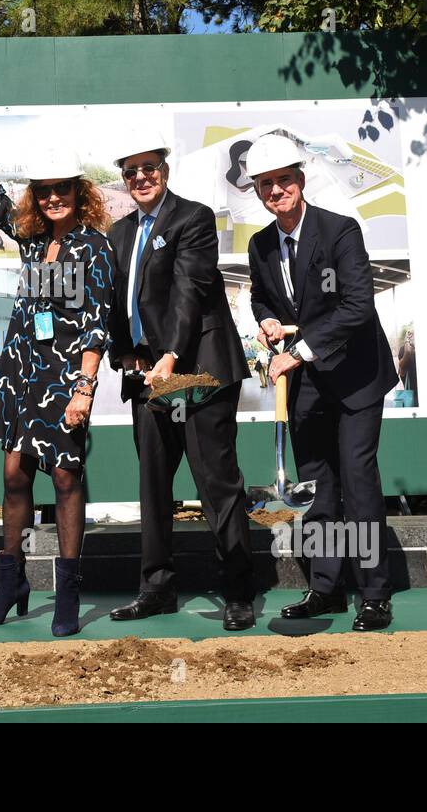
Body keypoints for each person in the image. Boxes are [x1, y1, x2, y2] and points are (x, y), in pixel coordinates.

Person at [0, 88, 115, 637]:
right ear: (36, 196)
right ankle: (10, 581)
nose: (53, 199)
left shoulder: (95, 247)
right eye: (44, 191)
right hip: (20, 371)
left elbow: (96, 323)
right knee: (14, 474)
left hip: (65, 379)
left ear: (78, 192)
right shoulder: (32, 241)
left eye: (62, 189)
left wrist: (84, 391)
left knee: (65, 475)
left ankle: (67, 592)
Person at [244, 133, 399, 631]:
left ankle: (374, 593)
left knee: (357, 480)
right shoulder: (260, 245)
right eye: (265, 184)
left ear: (300, 181)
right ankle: (326, 589)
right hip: (306, 383)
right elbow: (262, 300)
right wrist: (269, 322)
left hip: (356, 378)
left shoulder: (340, 232)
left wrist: (298, 352)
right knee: (316, 489)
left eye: (283, 180)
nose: (275, 191)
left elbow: (357, 307)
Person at [106, 129, 257, 631]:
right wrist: (126, 356)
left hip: (197, 369)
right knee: (153, 485)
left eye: (149, 168)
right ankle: (157, 589)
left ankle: (238, 591)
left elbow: (190, 289)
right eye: (131, 171)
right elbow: (118, 304)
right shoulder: (120, 232)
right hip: (150, 377)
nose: (141, 178)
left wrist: (171, 354)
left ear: (164, 172)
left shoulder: (191, 217)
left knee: (217, 483)